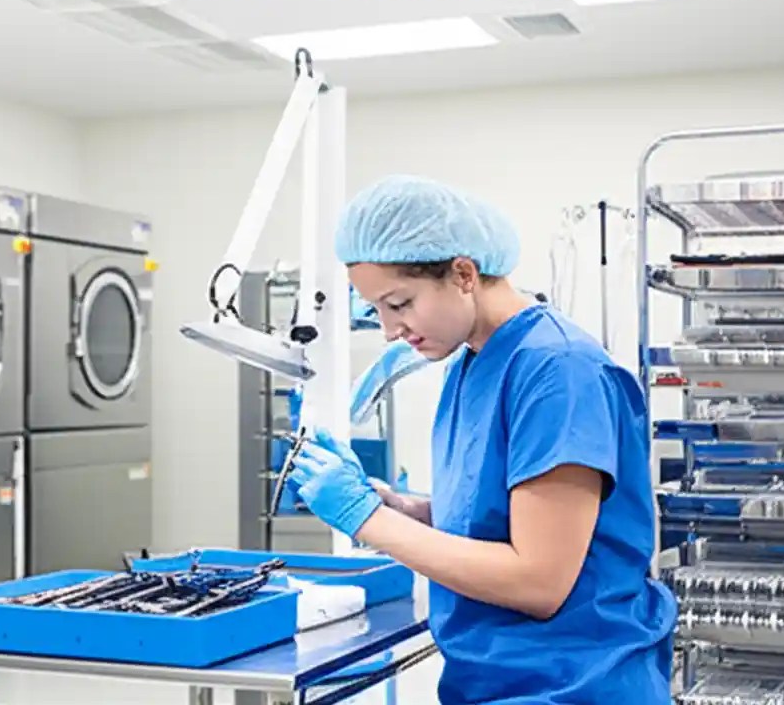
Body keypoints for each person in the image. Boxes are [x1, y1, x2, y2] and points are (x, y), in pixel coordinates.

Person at [286, 175, 676, 704]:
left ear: (464, 273)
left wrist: (367, 521)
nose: (388, 330)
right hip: (497, 680)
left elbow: (539, 583)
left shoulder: (557, 371)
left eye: (399, 303)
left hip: (574, 682)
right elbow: (497, 515)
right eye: (375, 310)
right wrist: (405, 509)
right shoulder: (469, 362)